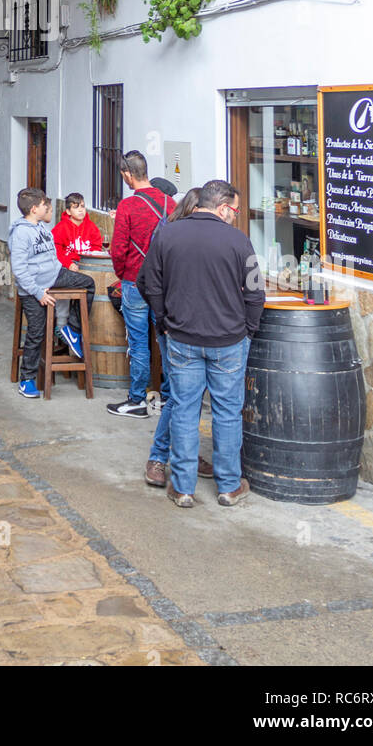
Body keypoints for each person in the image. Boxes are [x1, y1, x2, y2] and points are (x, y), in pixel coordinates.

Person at [143, 179, 265, 508]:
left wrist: (163, 321)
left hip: (181, 339)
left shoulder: (168, 234)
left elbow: (150, 283)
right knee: (227, 413)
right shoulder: (240, 242)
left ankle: (182, 488)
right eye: (235, 211)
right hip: (228, 341)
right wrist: (248, 331)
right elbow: (256, 293)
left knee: (184, 410)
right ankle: (228, 486)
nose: (235, 217)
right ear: (223, 207)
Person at [137, 185, 208, 488]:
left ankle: (185, 453)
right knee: (181, 395)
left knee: (186, 394)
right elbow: (146, 280)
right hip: (173, 327)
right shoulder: (168, 235)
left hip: (196, 325)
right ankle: (158, 457)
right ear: (194, 210)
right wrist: (162, 317)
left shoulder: (193, 236)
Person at [8, 188, 96, 399]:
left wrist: (61, 271)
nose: (48, 207)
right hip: (33, 289)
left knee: (88, 284)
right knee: (37, 331)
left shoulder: (42, 228)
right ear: (34, 208)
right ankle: (27, 379)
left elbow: (52, 256)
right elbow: (19, 270)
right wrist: (39, 292)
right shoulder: (21, 232)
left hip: (55, 277)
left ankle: (72, 331)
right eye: (44, 204)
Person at [108, 151, 176, 417]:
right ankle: (168, 398)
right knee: (166, 342)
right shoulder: (170, 204)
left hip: (135, 282)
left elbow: (118, 249)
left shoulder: (127, 206)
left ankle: (137, 399)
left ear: (127, 174)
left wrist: (124, 273)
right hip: (165, 284)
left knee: (138, 343)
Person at [51, 192, 103, 269]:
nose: (80, 210)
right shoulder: (60, 228)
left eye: (82, 206)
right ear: (68, 211)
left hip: (87, 262)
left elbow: (97, 247)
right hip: (67, 264)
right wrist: (68, 264)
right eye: (75, 207)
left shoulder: (92, 227)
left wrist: (90, 261)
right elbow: (56, 252)